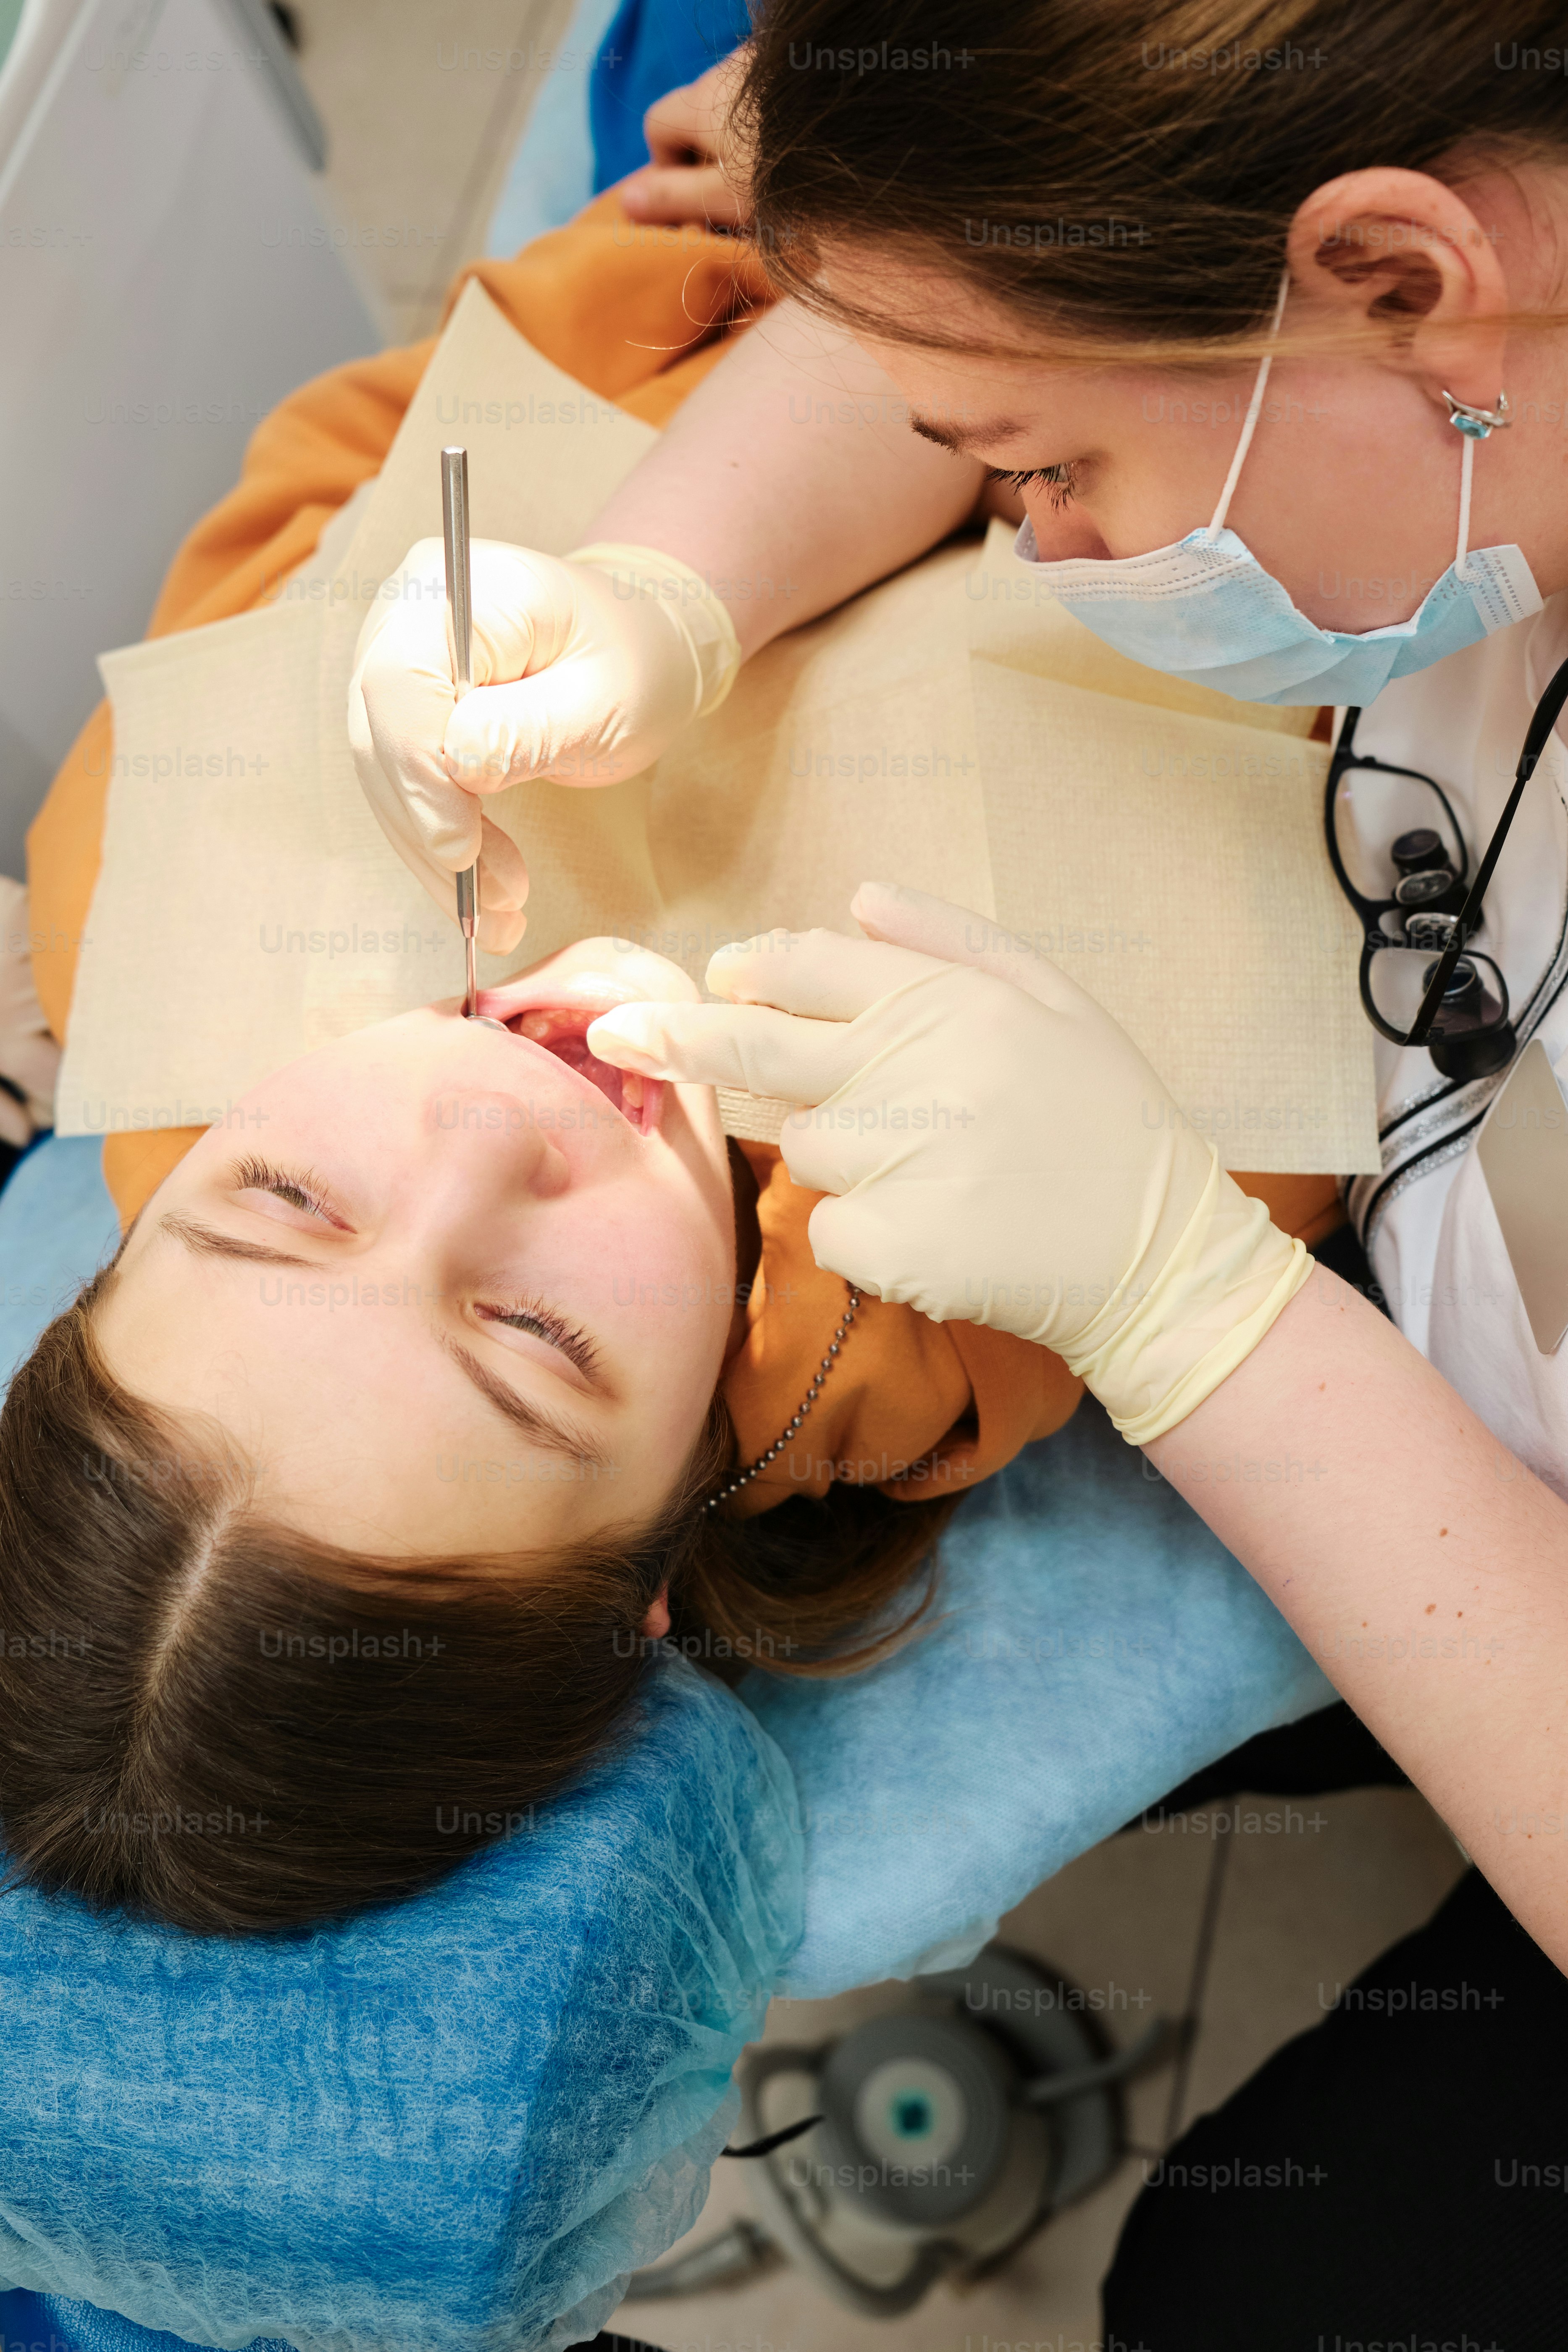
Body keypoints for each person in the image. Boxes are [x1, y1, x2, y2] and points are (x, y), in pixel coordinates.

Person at [352, 0, 1568, 1963]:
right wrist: (660, 585)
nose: (1043, 540)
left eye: (1053, 467)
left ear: (1403, 284)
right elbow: (991, 326)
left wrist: (1196, 1315)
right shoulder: (1392, 368)